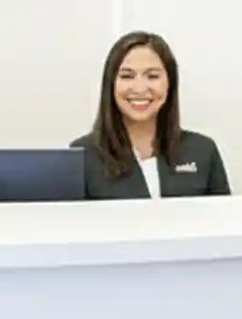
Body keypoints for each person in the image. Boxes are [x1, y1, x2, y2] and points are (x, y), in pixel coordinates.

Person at [72, 31, 231, 200]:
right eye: (127, 76)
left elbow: (224, 223)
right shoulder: (82, 156)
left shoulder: (203, 150)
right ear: (110, 85)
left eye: (152, 76)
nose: (140, 88)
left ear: (170, 83)